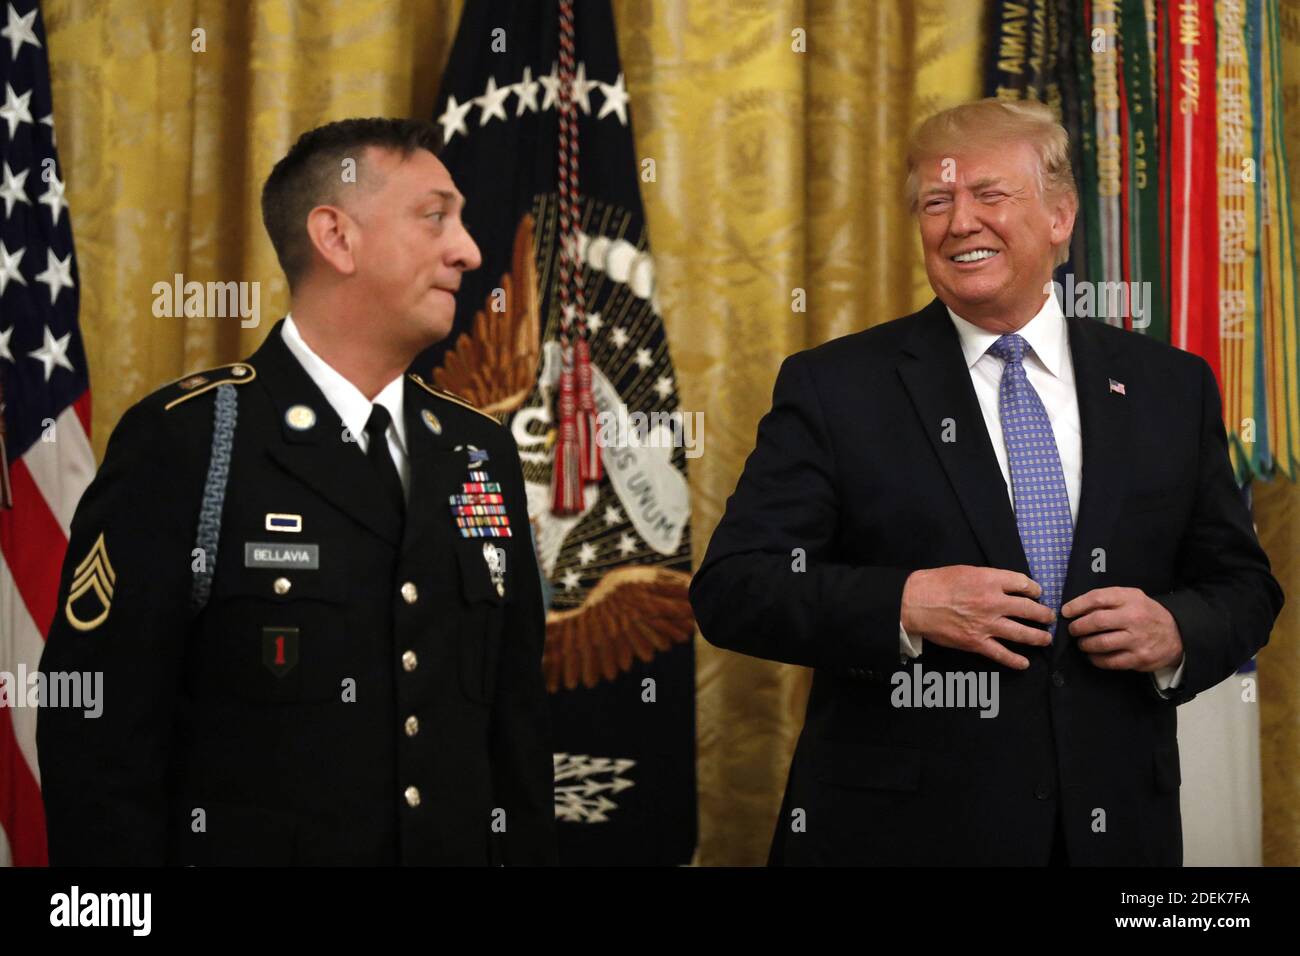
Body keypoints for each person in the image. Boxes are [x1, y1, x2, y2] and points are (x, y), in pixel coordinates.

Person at [689, 98, 1284, 866]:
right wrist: (904, 604)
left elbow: (1243, 587)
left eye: (989, 194)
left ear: (1061, 215)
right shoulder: (837, 387)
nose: (959, 221)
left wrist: (1176, 634)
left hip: (1113, 834)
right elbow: (734, 587)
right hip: (899, 839)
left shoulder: (1171, 387)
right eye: (937, 201)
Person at [38, 118, 557, 866]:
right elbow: (96, 741)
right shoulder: (189, 440)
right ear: (335, 237)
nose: (469, 251)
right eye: (435, 216)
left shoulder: (480, 451)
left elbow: (515, 733)